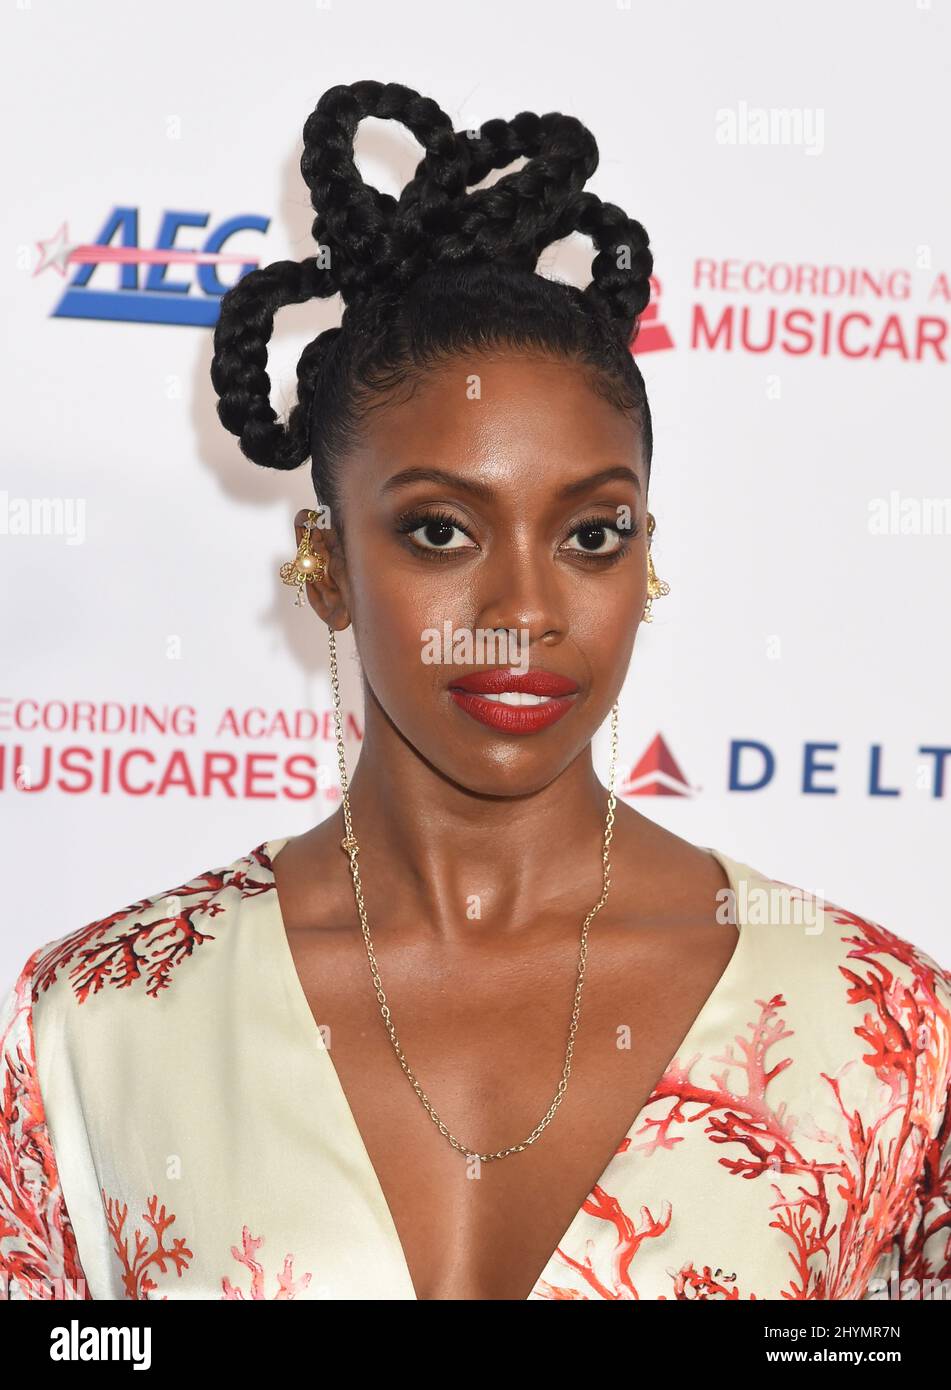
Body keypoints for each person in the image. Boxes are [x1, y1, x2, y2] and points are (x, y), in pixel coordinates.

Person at [2, 80, 949, 1303]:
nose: (523, 613)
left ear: (646, 554)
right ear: (328, 567)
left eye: (592, 533)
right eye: (442, 532)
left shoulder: (881, 1039)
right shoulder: (96, 1028)